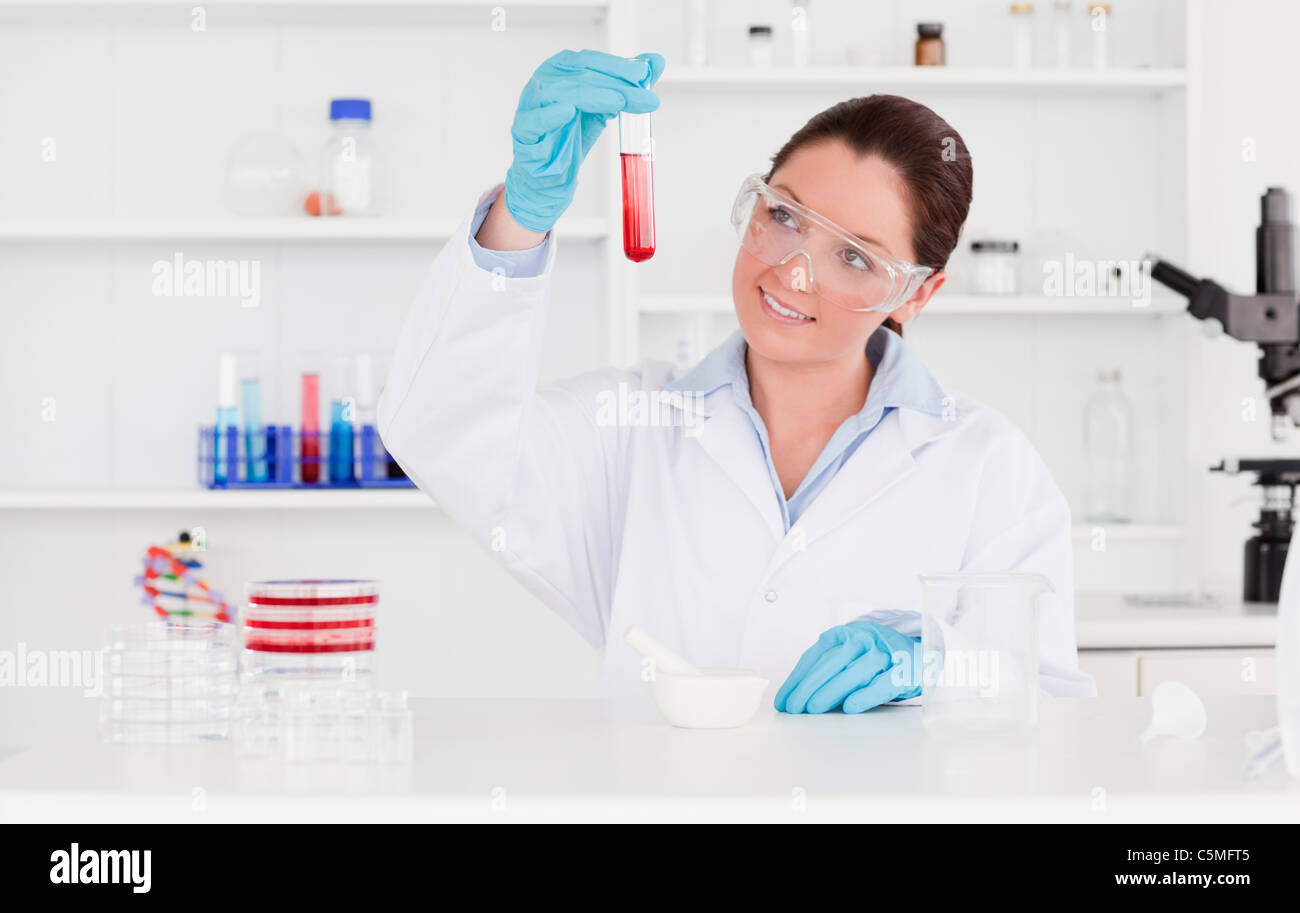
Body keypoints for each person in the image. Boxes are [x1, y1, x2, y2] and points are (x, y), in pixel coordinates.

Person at [379, 49, 1096, 713]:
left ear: (916, 294)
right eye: (783, 215)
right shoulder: (630, 431)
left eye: (854, 257)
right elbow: (443, 433)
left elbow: (1054, 706)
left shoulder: (988, 466)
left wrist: (940, 668)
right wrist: (518, 220)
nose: (792, 271)